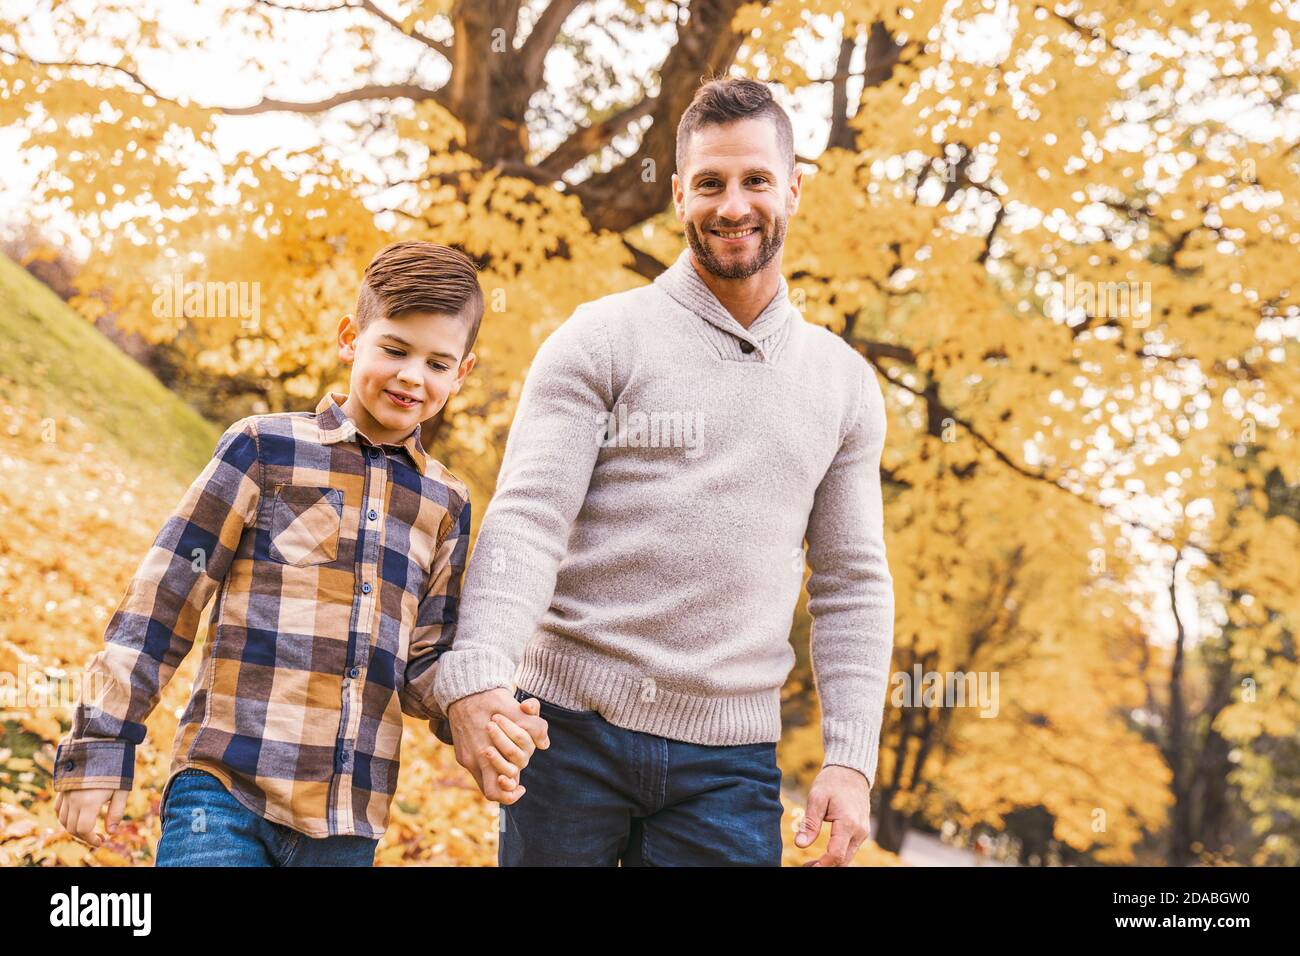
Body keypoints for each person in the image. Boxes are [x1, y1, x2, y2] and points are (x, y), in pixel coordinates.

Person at [433, 78, 895, 867]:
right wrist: (477, 676)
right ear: (679, 193)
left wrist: (851, 758)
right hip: (567, 731)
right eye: (710, 183)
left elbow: (852, 581)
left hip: (730, 764)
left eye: (755, 180)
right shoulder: (601, 339)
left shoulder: (845, 384)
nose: (733, 205)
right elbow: (529, 519)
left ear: (792, 187)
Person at [52, 240, 549, 866]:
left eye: (436, 363)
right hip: (224, 792)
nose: (410, 376)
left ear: (463, 372)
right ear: (351, 338)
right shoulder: (264, 449)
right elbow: (164, 598)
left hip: (348, 818)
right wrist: (102, 742)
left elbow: (424, 662)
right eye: (394, 349)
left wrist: (482, 712)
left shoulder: (445, 502)